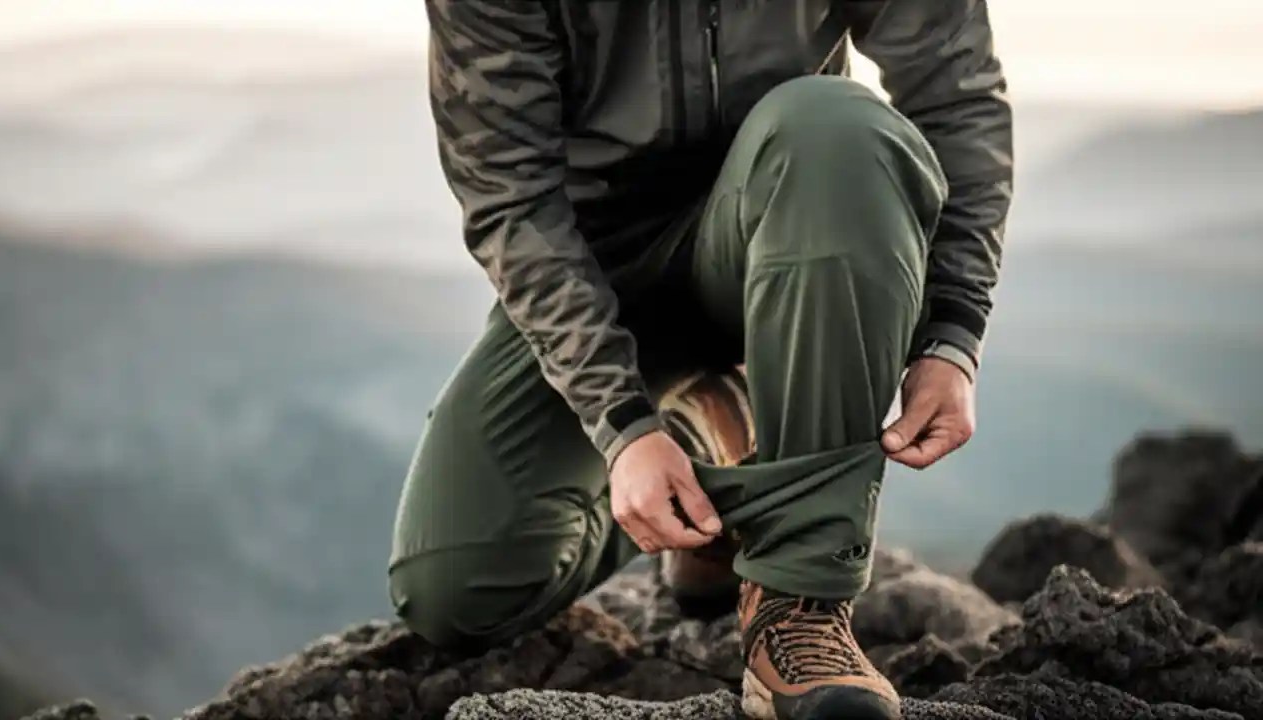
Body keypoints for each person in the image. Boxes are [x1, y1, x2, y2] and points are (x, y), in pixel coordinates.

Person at [389, 2, 1011, 718]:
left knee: (839, 127)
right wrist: (625, 428)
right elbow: (511, 198)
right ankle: (713, 447)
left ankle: (800, 606)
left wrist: (953, 330)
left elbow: (955, 93)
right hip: (597, 264)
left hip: (793, 224)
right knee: (454, 589)